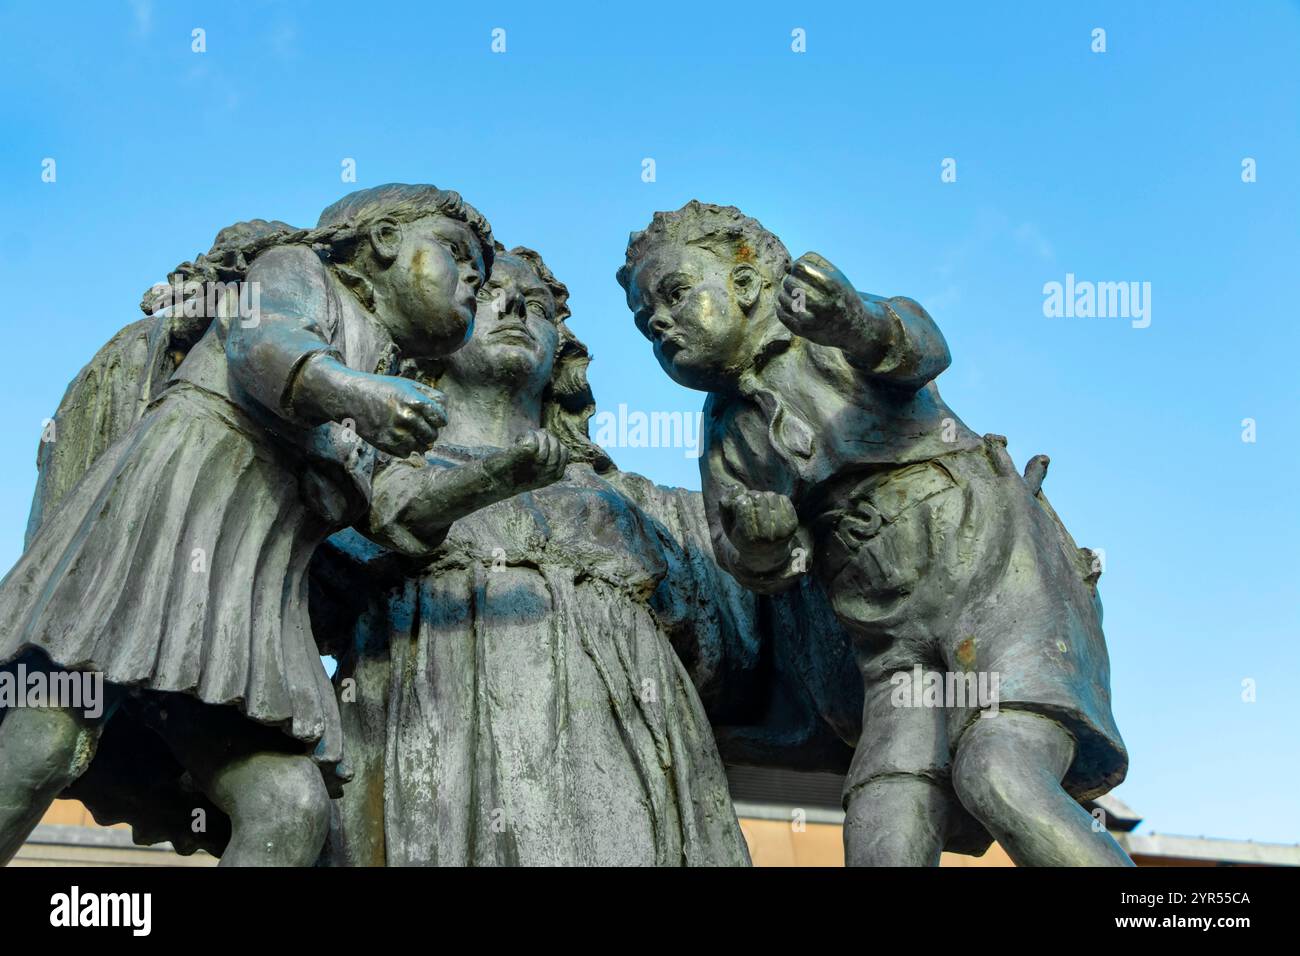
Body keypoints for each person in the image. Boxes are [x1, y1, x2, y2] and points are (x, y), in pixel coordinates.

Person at [616, 200, 1130, 866]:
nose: (658, 322)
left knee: (998, 774)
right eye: (643, 322)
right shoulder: (724, 432)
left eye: (675, 294)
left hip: (994, 577)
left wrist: (856, 322)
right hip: (886, 636)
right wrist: (762, 542)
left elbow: (921, 346)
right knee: (885, 818)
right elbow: (740, 549)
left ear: (743, 286)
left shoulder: (824, 331)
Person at [0, 183, 492, 866]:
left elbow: (387, 511)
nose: (474, 279)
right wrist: (357, 393)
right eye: (459, 253)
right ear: (381, 241)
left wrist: (504, 476)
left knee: (288, 805)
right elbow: (263, 344)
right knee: (51, 734)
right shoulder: (298, 271)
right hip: (177, 512)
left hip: (255, 589)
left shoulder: (388, 371)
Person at [319, 246, 751, 866]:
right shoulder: (371, 475)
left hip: (622, 769)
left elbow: (756, 624)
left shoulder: (645, 508)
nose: (516, 305)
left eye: (540, 306)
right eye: (486, 291)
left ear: (560, 357)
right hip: (430, 750)